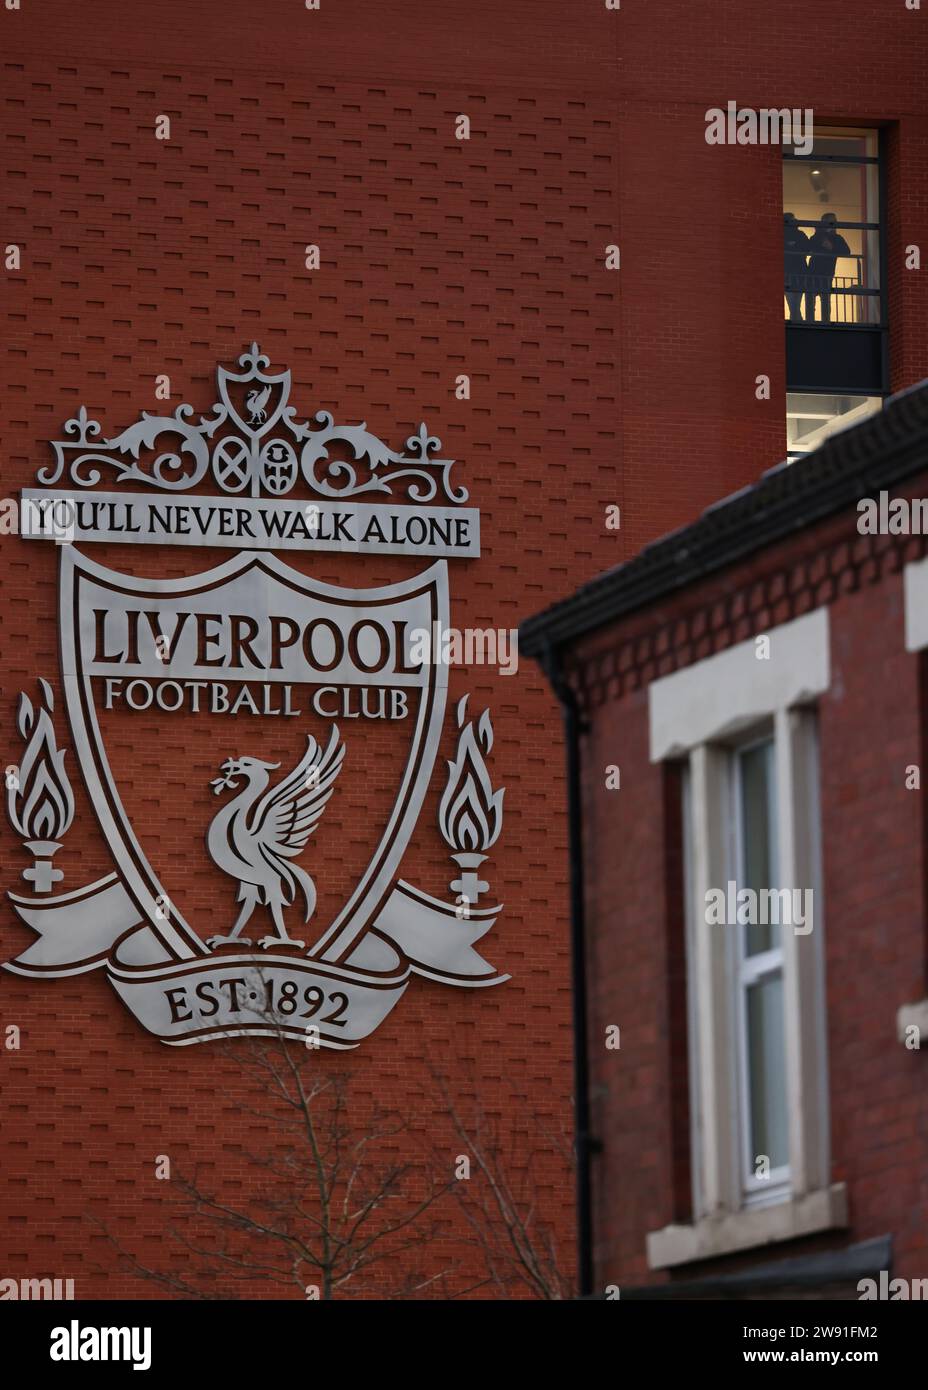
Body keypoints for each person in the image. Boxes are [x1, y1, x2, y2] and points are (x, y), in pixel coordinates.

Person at [804, 212, 851, 323]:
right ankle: (811, 322)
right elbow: (809, 247)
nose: (834, 223)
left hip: (826, 273)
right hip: (815, 272)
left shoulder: (837, 238)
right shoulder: (817, 237)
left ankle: (824, 322)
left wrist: (832, 248)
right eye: (831, 221)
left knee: (824, 301)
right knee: (811, 300)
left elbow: (847, 252)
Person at [783, 213, 810, 322]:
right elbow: (807, 248)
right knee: (794, 302)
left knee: (793, 302)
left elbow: (807, 248)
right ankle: (797, 321)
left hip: (793, 273)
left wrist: (790, 246)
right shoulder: (800, 234)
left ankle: (796, 321)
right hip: (796, 272)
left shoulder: (799, 234)